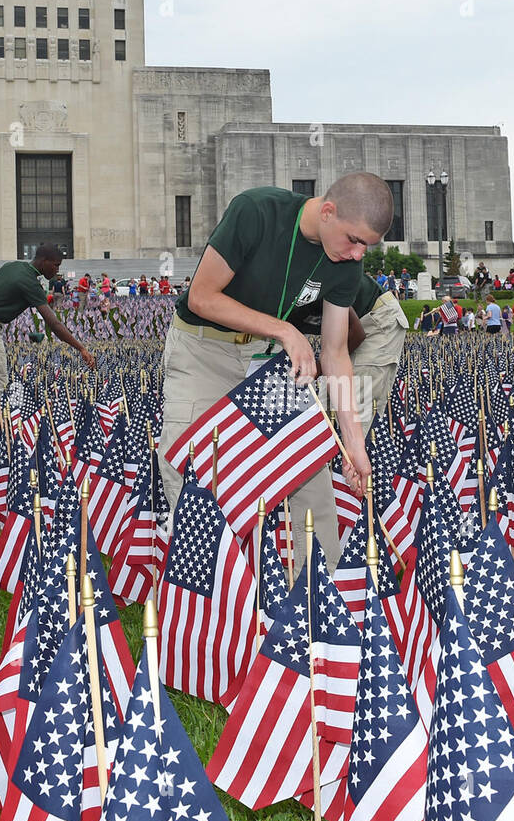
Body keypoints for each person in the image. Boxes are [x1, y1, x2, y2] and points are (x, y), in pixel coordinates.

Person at [157, 172, 391, 568]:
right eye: (354, 240)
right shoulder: (256, 211)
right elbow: (201, 296)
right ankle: (214, 600)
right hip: (202, 350)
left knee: (310, 476)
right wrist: (283, 330)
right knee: (188, 466)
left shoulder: (346, 265)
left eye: (367, 247)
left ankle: (321, 605)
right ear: (328, 211)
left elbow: (335, 352)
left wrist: (353, 443)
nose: (358, 255)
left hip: (264, 359)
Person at [0, 244, 97, 395]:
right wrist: (81, 348)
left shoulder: (13, 265)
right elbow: (54, 324)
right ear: (44, 261)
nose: (57, 270)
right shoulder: (31, 283)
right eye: (56, 265)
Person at [292, 273, 409, 429]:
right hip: (342, 331)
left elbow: (357, 333)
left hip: (374, 319)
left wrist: (315, 370)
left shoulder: (306, 279)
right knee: (327, 407)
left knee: (354, 408)